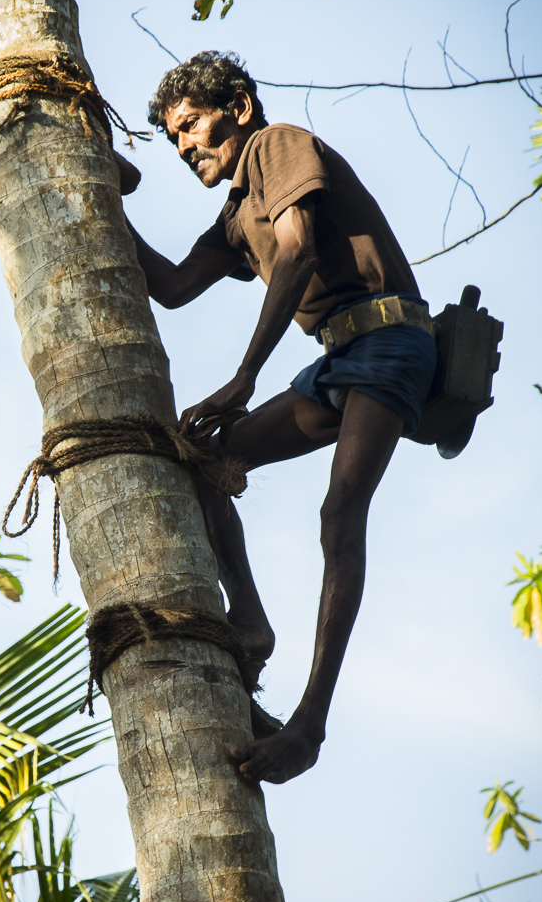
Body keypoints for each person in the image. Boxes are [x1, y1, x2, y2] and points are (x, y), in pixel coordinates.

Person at [127, 51, 437, 785]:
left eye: (192, 125)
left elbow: (296, 251)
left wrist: (243, 378)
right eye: (173, 140)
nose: (184, 147)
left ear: (237, 105)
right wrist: (106, 194)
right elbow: (170, 286)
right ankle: (253, 623)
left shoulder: (276, 144)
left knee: (339, 515)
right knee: (202, 461)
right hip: (334, 363)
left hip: (391, 339)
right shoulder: (237, 212)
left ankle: (309, 727)